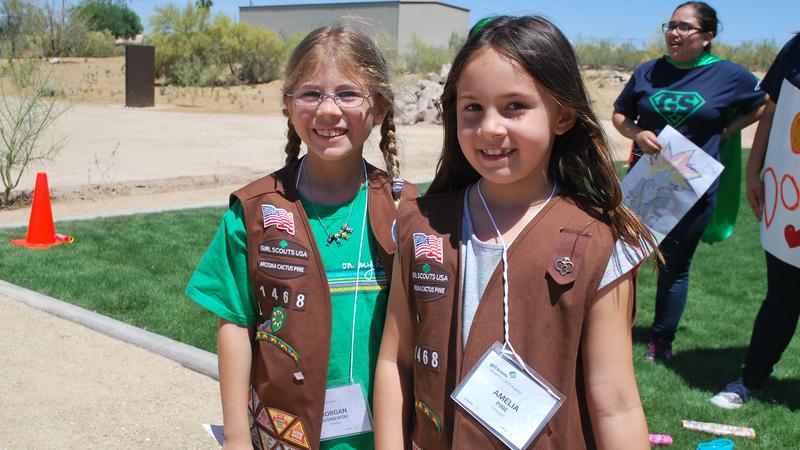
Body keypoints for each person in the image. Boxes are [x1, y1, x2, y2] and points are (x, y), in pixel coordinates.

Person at [374, 16, 658, 450]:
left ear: (562, 115)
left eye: (514, 106)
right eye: (472, 107)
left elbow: (615, 404)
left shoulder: (600, 239)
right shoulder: (419, 222)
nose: (490, 127)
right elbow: (396, 361)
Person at [186, 25, 416, 450]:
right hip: (283, 435)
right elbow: (235, 324)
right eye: (311, 94)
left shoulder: (409, 213)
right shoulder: (254, 212)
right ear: (288, 106)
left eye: (348, 93)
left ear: (380, 108)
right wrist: (237, 437)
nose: (329, 110)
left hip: (387, 437)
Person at [612, 1, 765, 362]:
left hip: (693, 187)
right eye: (670, 25)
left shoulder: (729, 75)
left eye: (684, 27)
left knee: (674, 266)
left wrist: (727, 131)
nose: (674, 33)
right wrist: (637, 133)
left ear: (707, 36)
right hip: (644, 183)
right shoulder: (648, 71)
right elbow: (619, 114)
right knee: (620, 260)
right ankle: (613, 327)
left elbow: (763, 103)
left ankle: (661, 340)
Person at [710, 33, 800, 409]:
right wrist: (753, 168)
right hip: (791, 198)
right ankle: (751, 380)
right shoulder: (797, 49)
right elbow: (773, 107)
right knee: (782, 296)